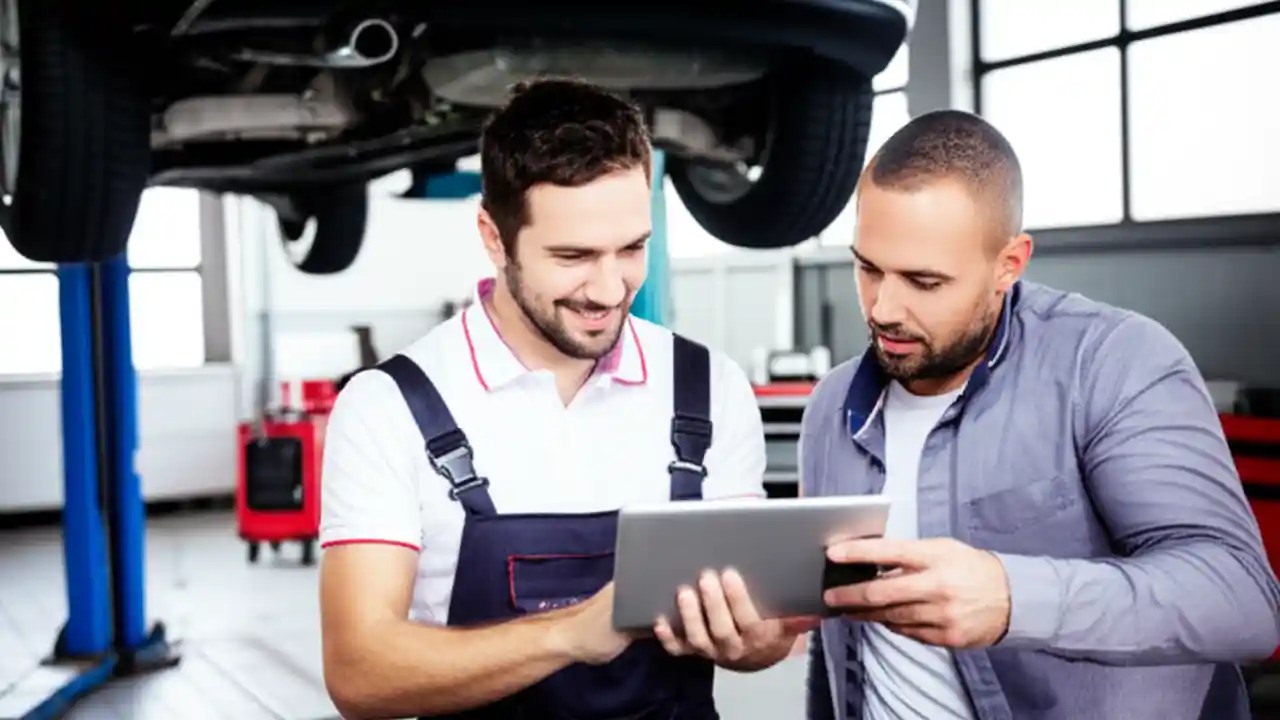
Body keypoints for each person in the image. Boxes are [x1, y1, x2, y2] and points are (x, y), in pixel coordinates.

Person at [316, 77, 811, 720]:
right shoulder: (389, 408)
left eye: (632, 248)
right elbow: (359, 673)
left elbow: (760, 642)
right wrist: (567, 634)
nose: (609, 288)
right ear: (494, 237)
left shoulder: (708, 387)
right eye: (573, 255)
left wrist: (758, 635)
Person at [801, 109, 1280, 720]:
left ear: (1010, 264)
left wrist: (1011, 597)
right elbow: (838, 648)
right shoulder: (832, 407)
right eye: (868, 268)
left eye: (924, 281)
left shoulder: (1112, 364)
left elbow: (1240, 599)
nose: (883, 308)